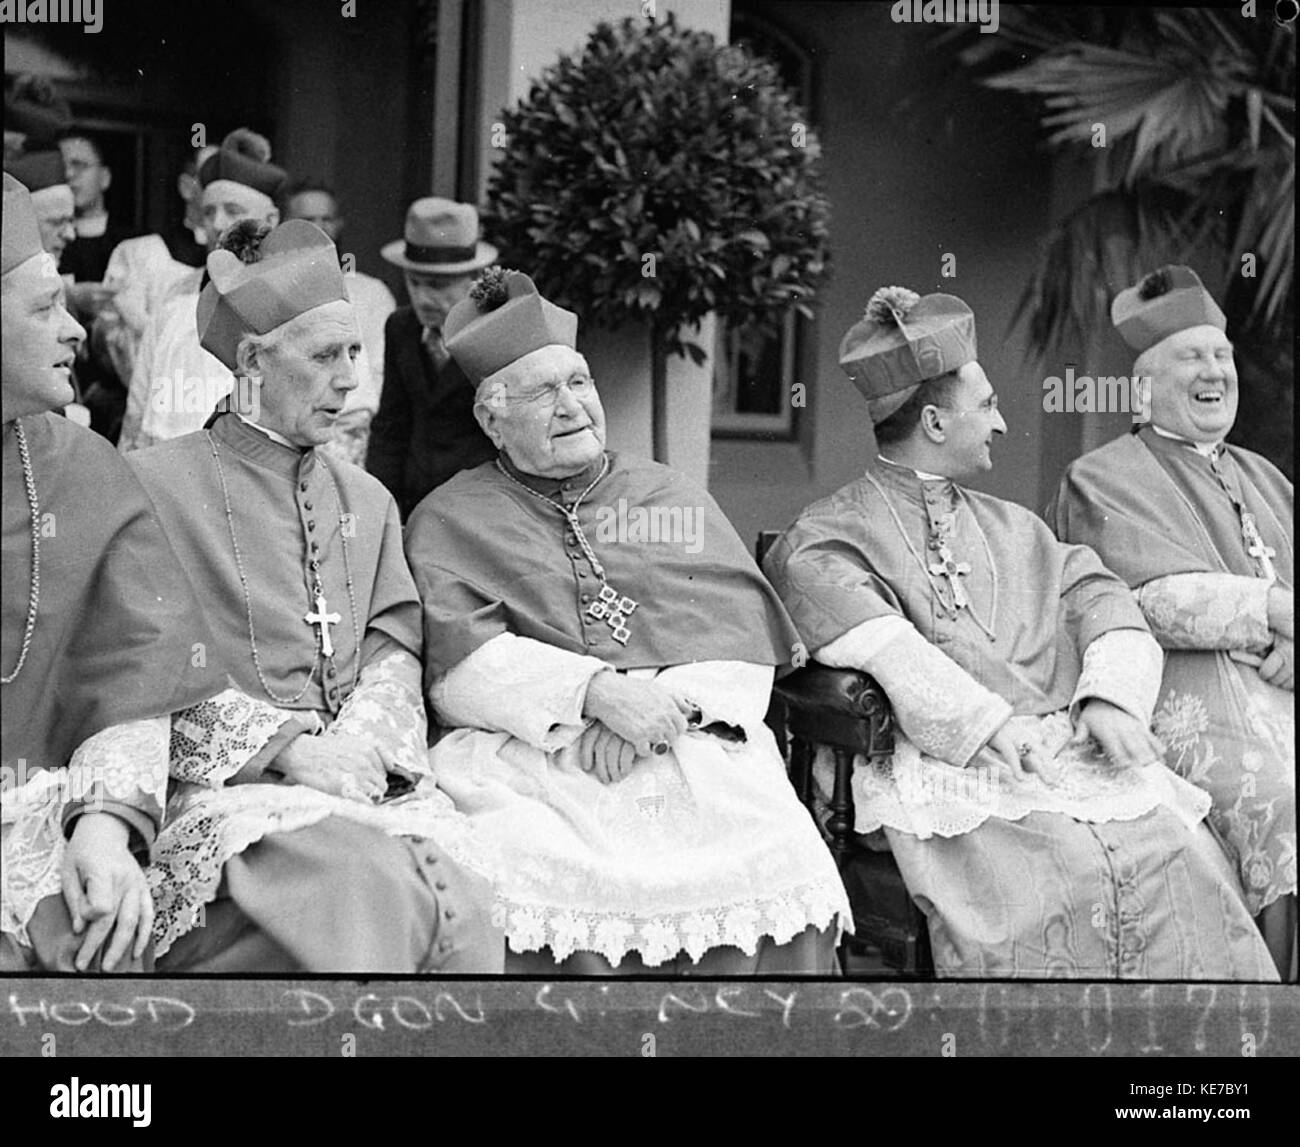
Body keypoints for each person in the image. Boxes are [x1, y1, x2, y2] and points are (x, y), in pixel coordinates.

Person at [762, 284, 1277, 980]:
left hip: (1056, 751)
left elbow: (1102, 596)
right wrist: (979, 722)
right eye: (989, 406)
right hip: (942, 762)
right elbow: (876, 639)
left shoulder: (1015, 527)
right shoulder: (827, 535)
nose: (1003, 425)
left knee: (1176, 850)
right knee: (1058, 866)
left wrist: (1109, 699)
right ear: (937, 423)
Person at [405, 269, 850, 974]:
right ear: (492, 418)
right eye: (543, 392)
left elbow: (742, 642)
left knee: (779, 846)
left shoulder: (667, 493)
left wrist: (657, 710)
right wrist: (594, 694)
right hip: (537, 751)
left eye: (578, 383)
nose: (571, 405)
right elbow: (459, 670)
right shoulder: (447, 518)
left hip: (689, 740)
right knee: (520, 858)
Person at [127, 218, 501, 973]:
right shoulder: (152, 486)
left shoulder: (369, 501)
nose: (352, 381)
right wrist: (292, 752)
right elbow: (141, 665)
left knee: (468, 891)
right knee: (359, 881)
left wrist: (355, 749)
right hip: (230, 795)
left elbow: (393, 651)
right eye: (326, 355)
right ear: (253, 361)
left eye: (356, 351)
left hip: (358, 783)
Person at [1052, 265, 1295, 978]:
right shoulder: (1101, 475)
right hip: (1183, 702)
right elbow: (1148, 598)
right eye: (1191, 356)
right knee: (1284, 806)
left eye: (1221, 356)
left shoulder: (1266, 476)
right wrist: (1276, 612)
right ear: (1142, 388)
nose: (1213, 370)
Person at [1, 173, 216, 973]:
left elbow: (136, 670)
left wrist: (102, 822)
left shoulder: (85, 470)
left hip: (36, 823)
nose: (75, 333)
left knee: (96, 941)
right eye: (41, 308)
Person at [117, 128, 286, 453]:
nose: (218, 224)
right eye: (209, 212)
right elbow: (136, 418)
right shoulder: (175, 302)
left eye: (233, 211)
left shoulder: (291, 304)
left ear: (271, 219)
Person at [366, 198, 496, 518]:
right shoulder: (400, 328)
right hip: (414, 507)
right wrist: (381, 505)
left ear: (474, 278)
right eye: (415, 282)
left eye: (438, 285)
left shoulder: (498, 333)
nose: (423, 298)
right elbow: (390, 427)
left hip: (482, 509)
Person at [284, 179, 396, 465]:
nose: (320, 229)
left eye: (327, 219)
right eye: (308, 220)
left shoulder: (370, 293)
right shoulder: (273, 294)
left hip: (350, 440)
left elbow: (380, 377)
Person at [58, 132, 135, 286]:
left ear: (104, 177)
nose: (68, 174)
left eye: (79, 165)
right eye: (60, 166)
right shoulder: (48, 240)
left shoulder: (134, 243)